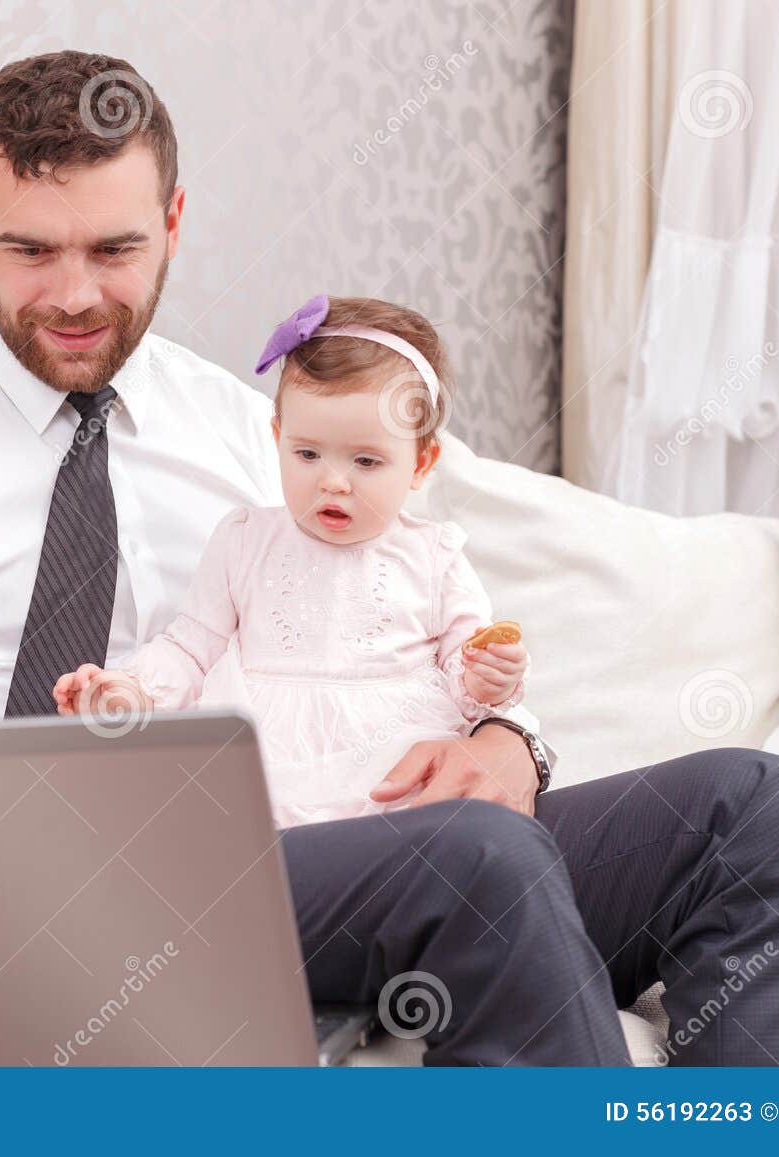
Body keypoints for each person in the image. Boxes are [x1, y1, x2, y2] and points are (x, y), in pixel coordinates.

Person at [0, 49, 779, 1065]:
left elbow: (400, 626)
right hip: (76, 904)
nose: (71, 294)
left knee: (764, 803)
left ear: (175, 222)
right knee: (483, 863)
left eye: (113, 248)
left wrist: (504, 742)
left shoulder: (254, 434)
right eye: (28, 249)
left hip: (329, 843)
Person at [54, 293, 531, 829]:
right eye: (307, 454)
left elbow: (462, 674)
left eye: (367, 460)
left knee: (428, 837)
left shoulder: (434, 557)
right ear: (278, 438)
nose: (333, 480)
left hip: (392, 766)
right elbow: (191, 649)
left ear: (421, 464)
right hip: (266, 765)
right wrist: (133, 689)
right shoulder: (244, 539)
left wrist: (488, 678)